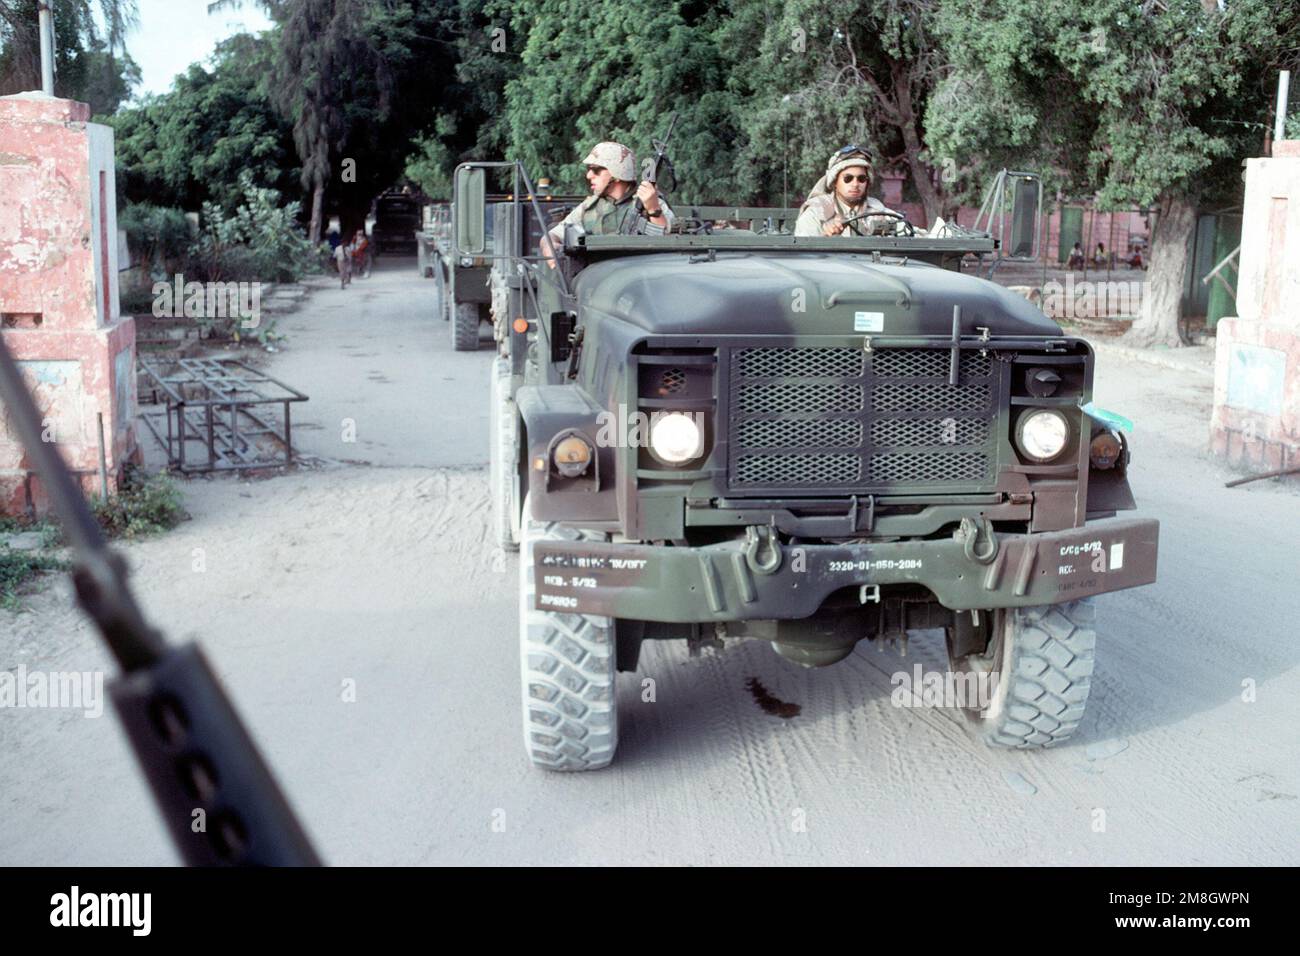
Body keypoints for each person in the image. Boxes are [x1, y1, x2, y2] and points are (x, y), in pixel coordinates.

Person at [542, 141, 675, 263]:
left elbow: (670, 244)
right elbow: (551, 236)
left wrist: (653, 209)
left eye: (596, 170)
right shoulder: (589, 208)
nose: (589, 176)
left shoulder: (650, 201)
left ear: (616, 173)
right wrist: (552, 249)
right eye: (588, 169)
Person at [794, 146, 907, 237]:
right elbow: (805, 255)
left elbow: (914, 234)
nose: (855, 184)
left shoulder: (878, 211)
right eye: (848, 178)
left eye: (861, 179)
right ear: (834, 182)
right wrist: (825, 238)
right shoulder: (816, 213)